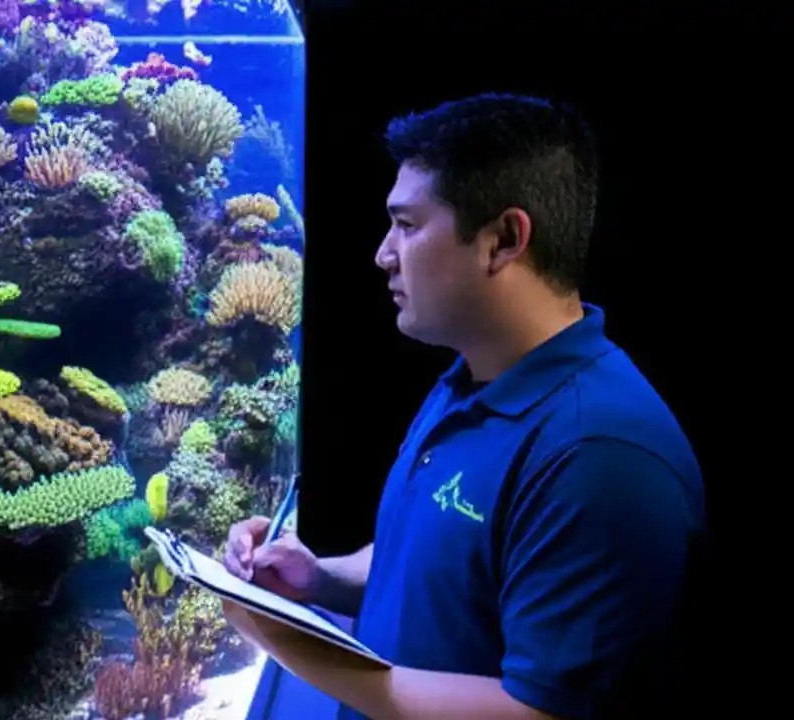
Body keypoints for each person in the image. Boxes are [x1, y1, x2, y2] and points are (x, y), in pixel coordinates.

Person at [221, 92, 706, 720]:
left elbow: (537, 711)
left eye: (408, 224)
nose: (382, 254)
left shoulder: (601, 456)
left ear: (503, 239)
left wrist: (294, 646)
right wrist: (316, 581)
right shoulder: (471, 377)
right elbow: (445, 557)